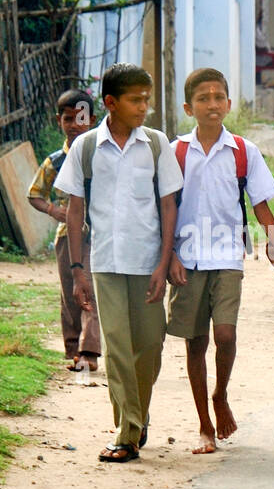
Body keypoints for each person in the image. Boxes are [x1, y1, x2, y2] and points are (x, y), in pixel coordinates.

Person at [55, 63, 185, 463]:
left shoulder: (157, 144)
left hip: (148, 263)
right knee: (116, 349)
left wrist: (164, 264)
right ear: (111, 103)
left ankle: (137, 416)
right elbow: (75, 211)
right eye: (135, 100)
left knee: (150, 345)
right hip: (106, 263)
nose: (144, 106)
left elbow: (168, 205)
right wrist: (77, 270)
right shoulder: (87, 147)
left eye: (147, 99)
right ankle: (127, 432)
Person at [168, 68, 274, 453]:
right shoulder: (176, 152)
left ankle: (221, 393)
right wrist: (168, 255)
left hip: (227, 255)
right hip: (186, 258)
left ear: (229, 104)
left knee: (225, 335)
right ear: (189, 108)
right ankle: (204, 423)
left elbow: (261, 206)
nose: (212, 104)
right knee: (195, 342)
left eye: (218, 97)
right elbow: (165, 207)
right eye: (202, 98)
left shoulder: (243, 151)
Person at [28, 89, 102, 373]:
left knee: (90, 290)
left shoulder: (101, 156)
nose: (74, 124)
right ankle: (73, 351)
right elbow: (34, 194)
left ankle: (90, 352)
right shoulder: (55, 161)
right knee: (69, 292)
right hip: (64, 237)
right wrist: (51, 210)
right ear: (58, 120)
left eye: (81, 118)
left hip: (96, 234)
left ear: (93, 120)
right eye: (68, 119)